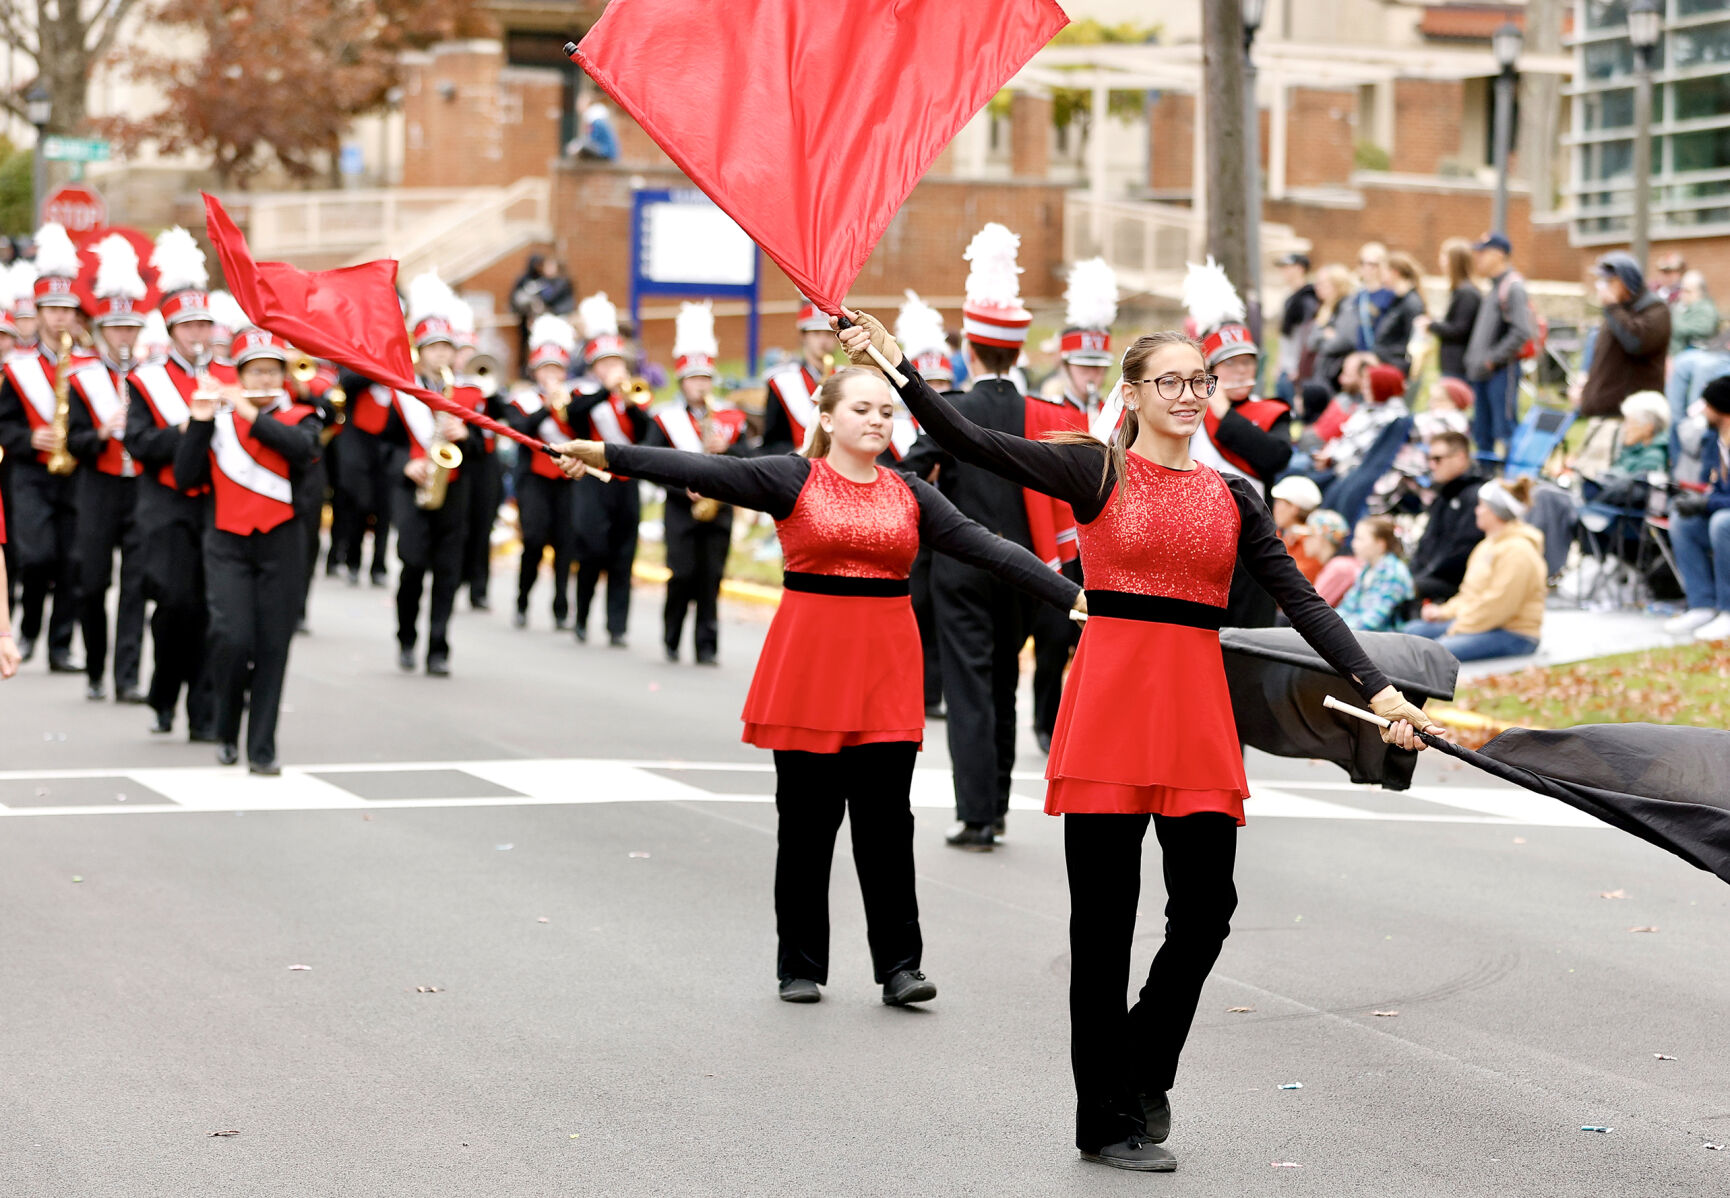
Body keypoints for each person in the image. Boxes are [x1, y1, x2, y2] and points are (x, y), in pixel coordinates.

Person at [836, 310, 1436, 1173]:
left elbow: (1303, 601)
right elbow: (968, 437)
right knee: (1104, 927)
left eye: (1200, 382)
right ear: (1133, 393)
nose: (1190, 396)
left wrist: (1380, 690)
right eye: (1172, 382)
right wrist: (898, 370)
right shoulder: (1093, 468)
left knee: (1206, 912)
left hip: (1194, 711)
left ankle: (1143, 1065)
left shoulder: (1235, 498)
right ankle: (1102, 1121)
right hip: (1113, 706)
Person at [551, 365, 1082, 1006]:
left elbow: (987, 546)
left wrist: (1074, 596)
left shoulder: (912, 492)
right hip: (810, 667)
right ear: (827, 419)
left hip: (884, 671)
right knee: (806, 825)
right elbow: (701, 469)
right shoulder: (791, 477)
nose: (878, 421)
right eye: (862, 409)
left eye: (886, 412)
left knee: (888, 824)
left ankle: (900, 967)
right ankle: (799, 965)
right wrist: (607, 453)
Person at [898, 222, 1068, 850]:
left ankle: (978, 814)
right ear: (1018, 352)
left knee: (970, 687)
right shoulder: (1050, 415)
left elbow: (910, 473)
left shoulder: (954, 408)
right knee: (1003, 684)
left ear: (970, 345)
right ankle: (997, 800)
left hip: (963, 567)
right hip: (1026, 569)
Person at [173, 328, 325, 773]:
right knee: (233, 638)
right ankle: (225, 724)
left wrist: (247, 411)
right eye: (254, 371)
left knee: (274, 645)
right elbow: (185, 477)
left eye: (271, 371)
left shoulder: (302, 417)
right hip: (226, 543)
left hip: (282, 543)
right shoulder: (219, 423)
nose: (263, 380)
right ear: (239, 375)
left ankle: (263, 747)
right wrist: (200, 421)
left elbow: (301, 451)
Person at [126, 227, 226, 740]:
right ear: (170, 329)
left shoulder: (225, 379)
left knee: (213, 610)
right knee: (175, 606)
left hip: (216, 504)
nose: (197, 334)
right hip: (164, 505)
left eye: (203, 324)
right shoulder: (146, 380)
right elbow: (137, 444)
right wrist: (183, 431)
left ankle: (203, 713)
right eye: (187, 326)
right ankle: (165, 692)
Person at [1027, 258, 1118, 752]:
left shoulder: (1111, 412)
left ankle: (1087, 723)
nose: (1090, 374)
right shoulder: (1045, 410)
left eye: (1098, 367)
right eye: (1084, 365)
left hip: (1099, 538)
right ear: (1064, 364)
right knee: (1050, 638)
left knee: (1098, 642)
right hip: (1056, 538)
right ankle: (1045, 723)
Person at [0, 222, 89, 673]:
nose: (58, 317)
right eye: (50, 309)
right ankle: (29, 627)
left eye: (65, 309)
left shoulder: (88, 364)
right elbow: (3, 422)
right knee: (35, 556)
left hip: (78, 472)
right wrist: (25, 438)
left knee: (73, 561)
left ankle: (59, 646)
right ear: (38, 312)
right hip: (31, 472)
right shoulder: (17, 365)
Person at [65, 233, 149, 703]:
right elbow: (72, 441)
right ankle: (96, 666)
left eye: (131, 328)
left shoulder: (149, 375)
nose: (124, 336)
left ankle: (128, 676)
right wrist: (100, 431)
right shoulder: (83, 377)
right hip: (97, 485)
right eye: (117, 329)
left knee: (137, 583)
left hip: (139, 486)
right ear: (102, 332)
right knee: (93, 581)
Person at [646, 302, 748, 664]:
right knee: (682, 574)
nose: (700, 385)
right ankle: (672, 636)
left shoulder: (730, 418)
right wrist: (681, 488)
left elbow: (750, 462)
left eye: (705, 377)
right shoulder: (664, 418)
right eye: (693, 378)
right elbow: (652, 465)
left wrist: (729, 447)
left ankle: (706, 645)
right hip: (680, 508)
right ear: (681, 381)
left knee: (711, 578)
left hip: (718, 508)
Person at [385, 273, 474, 675]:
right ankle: (406, 636)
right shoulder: (400, 392)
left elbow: (485, 452)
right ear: (419, 352)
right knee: (414, 564)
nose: (441, 355)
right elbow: (377, 444)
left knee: (448, 571)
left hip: (454, 491)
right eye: (433, 348)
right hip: (413, 488)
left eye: (446, 348)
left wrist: (466, 435)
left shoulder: (465, 394)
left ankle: (439, 647)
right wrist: (405, 463)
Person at [570, 292, 649, 647]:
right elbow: (574, 418)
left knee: (623, 554)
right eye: (604, 362)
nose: (612, 368)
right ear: (593, 366)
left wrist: (630, 403)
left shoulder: (632, 396)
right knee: (592, 550)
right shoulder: (582, 392)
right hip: (592, 479)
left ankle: (617, 626)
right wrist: (604, 391)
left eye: (616, 361)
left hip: (625, 481)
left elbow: (647, 433)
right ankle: (582, 616)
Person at [1401, 477, 1546, 661]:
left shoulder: (1518, 551)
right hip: (1482, 622)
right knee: (1411, 632)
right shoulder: (1486, 546)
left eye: (1481, 506)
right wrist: (1443, 612)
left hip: (1514, 633)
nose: (1476, 511)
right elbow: (1470, 595)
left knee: (1436, 653)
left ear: (1496, 512)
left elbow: (1498, 607)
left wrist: (1456, 629)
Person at [894, 290, 955, 718]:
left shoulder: (960, 426)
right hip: (906, 533)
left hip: (946, 534)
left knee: (941, 613)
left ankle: (933, 691)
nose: (938, 395)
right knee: (911, 611)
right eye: (929, 386)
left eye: (944, 386)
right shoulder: (891, 425)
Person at [507, 314, 581, 629]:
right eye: (546, 368)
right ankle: (523, 599)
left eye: (557, 369)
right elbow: (521, 429)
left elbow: (582, 428)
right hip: (534, 479)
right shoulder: (521, 400)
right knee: (534, 540)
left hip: (567, 480)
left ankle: (561, 606)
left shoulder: (576, 400)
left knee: (566, 544)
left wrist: (564, 404)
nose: (551, 374)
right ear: (536, 371)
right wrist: (547, 406)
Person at [1572, 252, 1670, 478]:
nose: (1602, 287)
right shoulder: (1616, 312)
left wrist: (1614, 308)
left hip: (1625, 419)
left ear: (1625, 281)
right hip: (1604, 416)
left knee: (1606, 481)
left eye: (1609, 281)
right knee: (1587, 475)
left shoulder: (1656, 310)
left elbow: (1636, 342)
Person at [1667, 376, 1730, 642]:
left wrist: (1708, 503)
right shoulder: (1714, 441)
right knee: (1683, 522)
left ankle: (1728, 611)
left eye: (1707, 404)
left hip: (1725, 518)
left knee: (1722, 523)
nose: (1703, 411)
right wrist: (1697, 500)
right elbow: (1714, 486)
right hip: (1722, 509)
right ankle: (1702, 604)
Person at [1463, 233, 1534, 460]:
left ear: (1499, 254)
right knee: (1482, 432)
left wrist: (1493, 358)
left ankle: (1510, 480)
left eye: (1483, 253)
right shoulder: (1494, 287)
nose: (1479, 258)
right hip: (1483, 373)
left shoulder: (1512, 287)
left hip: (1501, 371)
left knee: (1505, 430)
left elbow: (1522, 331)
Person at [1407, 431, 1485, 603]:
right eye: (1429, 459)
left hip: (1454, 587)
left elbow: (1461, 553)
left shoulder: (1476, 496)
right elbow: (1426, 543)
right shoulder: (1445, 493)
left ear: (1460, 457)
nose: (1432, 465)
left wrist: (1418, 580)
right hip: (1430, 578)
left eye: (1437, 459)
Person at [759, 297, 837, 455]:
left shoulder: (846, 378)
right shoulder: (783, 380)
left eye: (829, 334)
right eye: (816, 333)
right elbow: (771, 443)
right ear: (803, 336)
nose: (823, 341)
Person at [1337, 516, 1414, 631]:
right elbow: (1348, 605)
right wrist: (1330, 624)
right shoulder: (1367, 568)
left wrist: (1336, 630)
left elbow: (1373, 620)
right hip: (1357, 633)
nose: (1353, 544)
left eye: (1360, 539)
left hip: (1384, 639)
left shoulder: (1393, 573)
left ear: (1380, 544)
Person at [1420, 237, 1481, 383]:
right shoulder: (1460, 291)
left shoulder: (1467, 293)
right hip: (1452, 363)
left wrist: (1431, 325)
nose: (1441, 261)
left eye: (1444, 256)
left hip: (1458, 365)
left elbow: (1460, 329)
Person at [1304, 262, 1361, 400]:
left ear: (1337, 285)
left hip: (1336, 377)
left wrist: (1324, 339)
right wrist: (1325, 335)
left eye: (1323, 283)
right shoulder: (1325, 308)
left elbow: (1342, 342)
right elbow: (1311, 341)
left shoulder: (1348, 307)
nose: (1318, 287)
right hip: (1323, 374)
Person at [509, 254, 575, 372]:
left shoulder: (561, 282)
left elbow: (549, 298)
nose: (545, 268)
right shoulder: (539, 280)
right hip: (538, 321)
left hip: (558, 321)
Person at [1272, 252, 1318, 404]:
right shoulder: (1290, 298)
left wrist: (1298, 367)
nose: (1284, 271)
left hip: (1295, 371)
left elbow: (1305, 336)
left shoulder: (1307, 300)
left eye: (1288, 267)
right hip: (1285, 368)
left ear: (1300, 269)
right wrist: (1279, 363)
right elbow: (1285, 336)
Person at [1373, 252, 1426, 376]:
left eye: (1383, 273)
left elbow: (1413, 342)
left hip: (1397, 368)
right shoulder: (1396, 300)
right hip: (1387, 364)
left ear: (1394, 273)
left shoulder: (1412, 303)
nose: (1381, 279)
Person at [1300, 510, 1361, 605]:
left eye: (1309, 535)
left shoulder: (1338, 567)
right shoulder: (1341, 563)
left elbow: (1312, 607)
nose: (1304, 540)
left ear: (1320, 538)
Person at [1271, 475, 1324, 579]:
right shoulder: (1281, 535)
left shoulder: (1310, 546)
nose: (1275, 508)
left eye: (1279, 503)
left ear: (1294, 508)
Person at [1350, 242, 1395, 356]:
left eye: (1372, 264)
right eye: (1362, 263)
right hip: (1357, 354)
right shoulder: (1358, 295)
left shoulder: (1389, 294)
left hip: (1377, 355)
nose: (1366, 268)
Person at [1668, 270, 1719, 358]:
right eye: (1682, 290)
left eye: (1687, 291)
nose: (1682, 294)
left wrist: (1674, 323)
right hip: (1675, 355)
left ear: (1699, 292)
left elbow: (1705, 329)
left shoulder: (1706, 309)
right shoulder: (1682, 306)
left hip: (1693, 356)